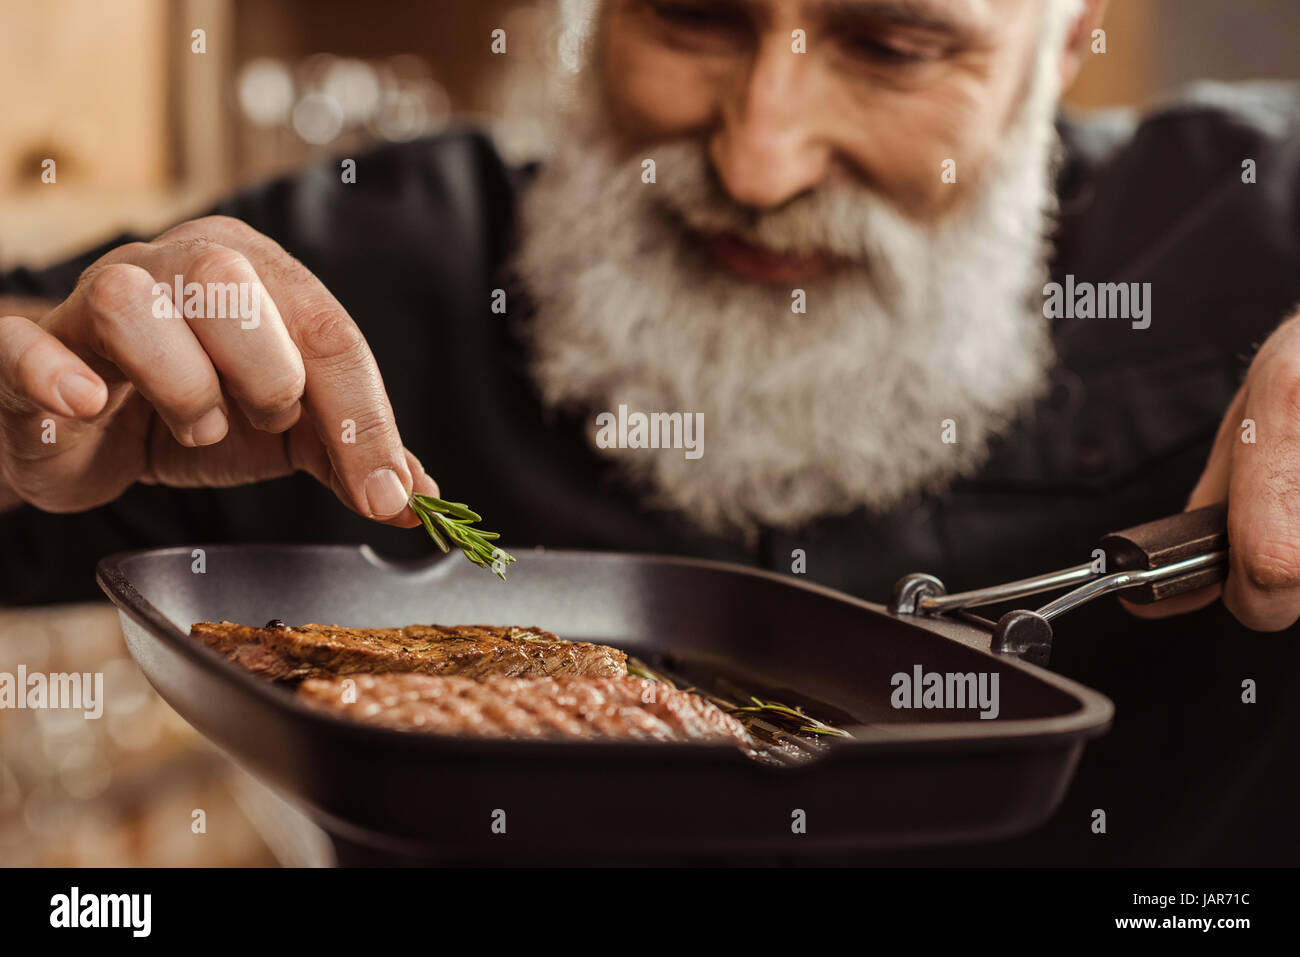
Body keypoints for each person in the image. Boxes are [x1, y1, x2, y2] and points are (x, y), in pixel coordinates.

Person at [1, 0, 1298, 863]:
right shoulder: (375, 260)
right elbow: (42, 379)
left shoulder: (1249, 227)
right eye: (692, 12)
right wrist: (23, 424)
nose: (759, 159)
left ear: (1066, 43)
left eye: (895, 46)